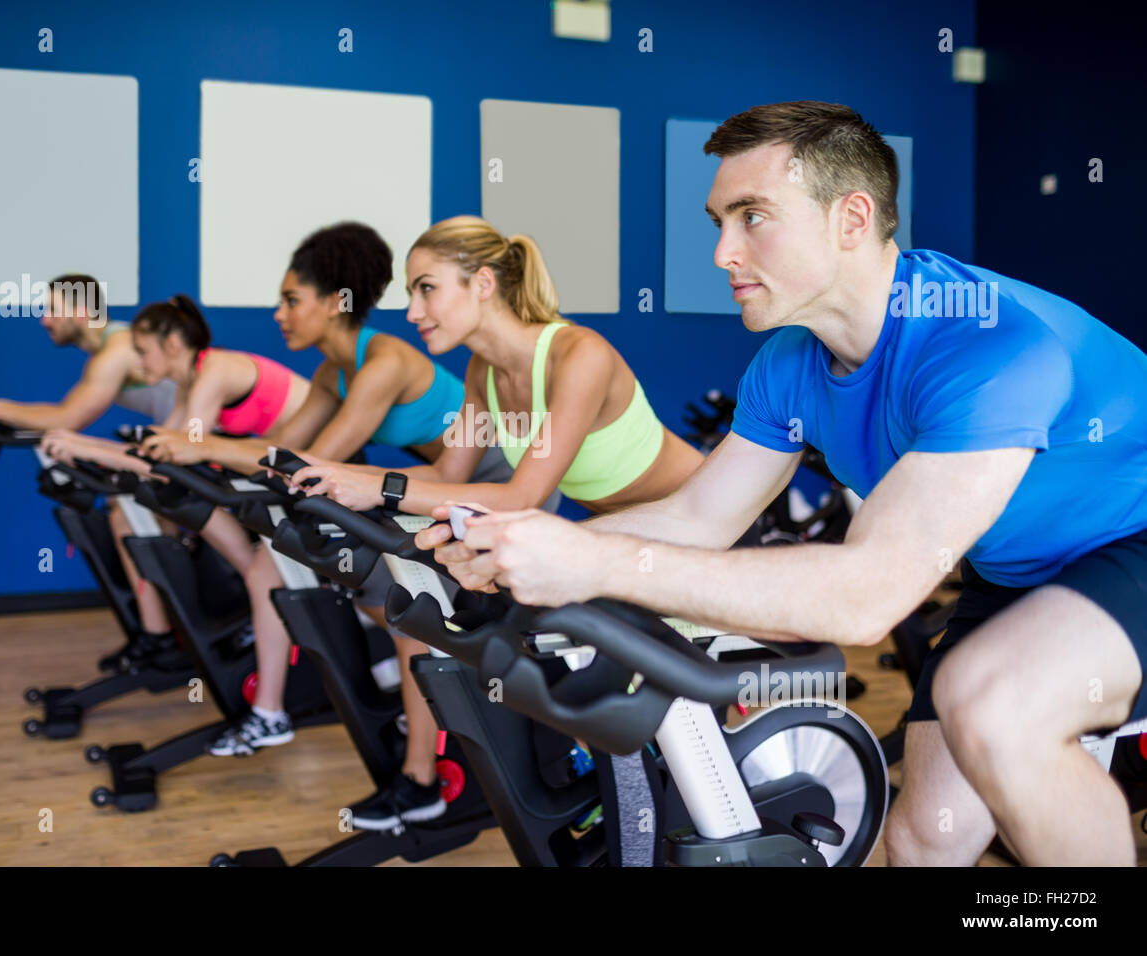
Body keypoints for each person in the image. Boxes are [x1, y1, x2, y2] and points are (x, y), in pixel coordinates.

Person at [418, 101, 1147, 867]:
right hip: (1015, 574)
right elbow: (701, 514)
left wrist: (589, 566)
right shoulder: (788, 365)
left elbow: (867, 598)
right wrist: (522, 547)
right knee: (925, 837)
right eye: (717, 222)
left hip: (1130, 540)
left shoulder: (989, 346)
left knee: (993, 707)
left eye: (752, 216)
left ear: (852, 219)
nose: (721, 252)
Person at [288, 216, 704, 829]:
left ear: (482, 283)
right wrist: (361, 497)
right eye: (411, 293)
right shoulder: (484, 377)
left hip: (699, 532)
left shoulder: (576, 355)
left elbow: (523, 494)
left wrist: (375, 482)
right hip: (614, 541)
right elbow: (453, 482)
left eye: (427, 288)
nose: (413, 311)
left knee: (646, 700)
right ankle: (598, 797)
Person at [136, 222, 556, 781]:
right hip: (438, 480)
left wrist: (201, 446)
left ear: (336, 303)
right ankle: (420, 706)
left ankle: (423, 771)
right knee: (375, 594)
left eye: (291, 300)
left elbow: (314, 460)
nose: (279, 314)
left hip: (490, 483)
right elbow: (288, 452)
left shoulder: (383, 361)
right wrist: (197, 448)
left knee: (413, 608)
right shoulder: (337, 368)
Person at [41, 294, 310, 643]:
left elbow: (183, 452)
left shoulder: (213, 374)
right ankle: (262, 611)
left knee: (194, 496)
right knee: (193, 501)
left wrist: (87, 447)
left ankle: (272, 616)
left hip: (321, 459)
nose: (138, 363)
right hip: (279, 462)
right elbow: (157, 448)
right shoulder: (190, 381)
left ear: (171, 344)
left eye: (142, 351)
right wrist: (87, 447)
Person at [0, 273, 178, 429]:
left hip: (200, 433)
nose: (44, 320)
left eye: (53, 310)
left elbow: (68, 419)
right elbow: (63, 410)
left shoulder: (116, 351)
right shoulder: (108, 348)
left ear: (82, 313)